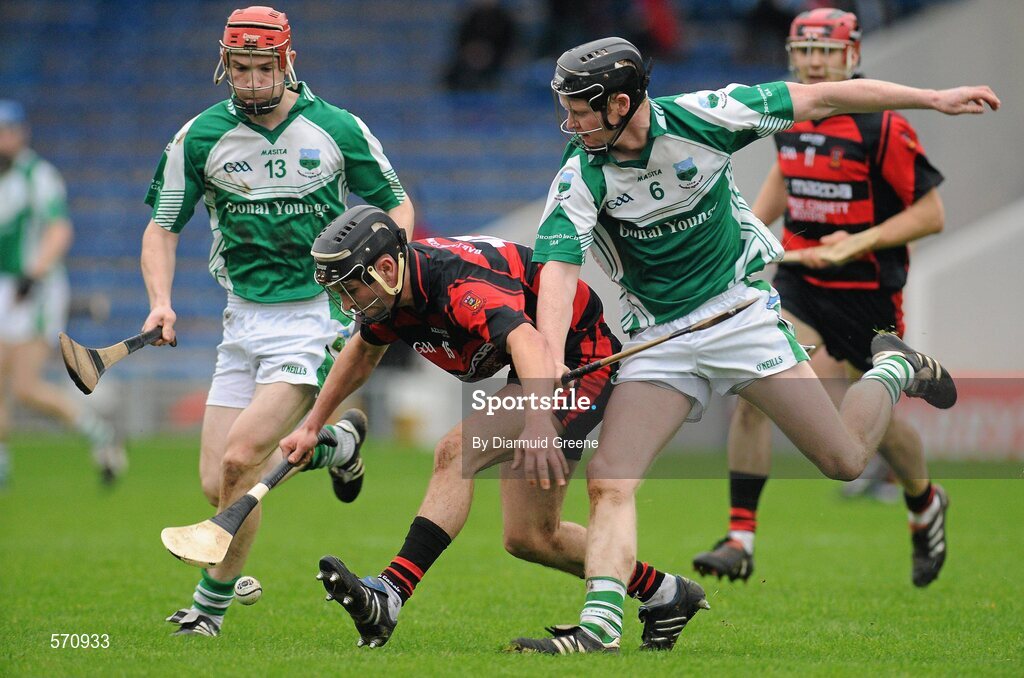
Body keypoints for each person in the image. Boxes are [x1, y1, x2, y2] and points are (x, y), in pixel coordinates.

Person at [509, 37, 998, 654]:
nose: (571, 123)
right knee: (609, 477)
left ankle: (894, 367)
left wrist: (933, 98)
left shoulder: (708, 116)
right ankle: (600, 629)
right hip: (659, 340)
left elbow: (823, 98)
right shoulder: (579, 173)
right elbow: (558, 272)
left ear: (621, 103)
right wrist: (548, 372)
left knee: (844, 460)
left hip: (741, 318)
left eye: (581, 110)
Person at [279, 205, 709, 651]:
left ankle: (390, 593)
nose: (349, 305)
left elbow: (529, 342)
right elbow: (361, 353)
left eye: (351, 290)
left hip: (577, 361)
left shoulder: (460, 286)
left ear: (386, 268)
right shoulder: (393, 292)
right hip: (530, 368)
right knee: (530, 537)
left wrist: (539, 421)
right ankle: (666, 593)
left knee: (457, 451)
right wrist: (312, 426)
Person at [142, 6, 414, 637]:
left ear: (288, 62)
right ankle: (337, 446)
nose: (253, 80)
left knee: (241, 461)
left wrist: (385, 278)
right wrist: (160, 300)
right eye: (241, 68)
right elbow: (161, 228)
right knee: (215, 480)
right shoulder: (199, 138)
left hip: (316, 317)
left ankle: (207, 611)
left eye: (265, 67)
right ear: (224, 64)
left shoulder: (336, 128)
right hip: (241, 322)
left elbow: (397, 208)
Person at [693, 8, 951, 588]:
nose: (813, 63)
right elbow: (787, 177)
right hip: (801, 285)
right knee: (759, 383)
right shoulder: (787, 113)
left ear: (852, 56)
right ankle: (739, 538)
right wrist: (743, 242)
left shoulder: (882, 127)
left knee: (853, 417)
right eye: (804, 51)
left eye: (826, 52)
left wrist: (855, 242)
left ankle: (924, 499)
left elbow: (932, 214)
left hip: (868, 293)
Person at [0, 99, 125, 488]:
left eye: (7, 132)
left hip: (34, 290)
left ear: (20, 134)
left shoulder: (38, 176)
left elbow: (59, 230)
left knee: (23, 387)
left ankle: (100, 433)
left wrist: (33, 273)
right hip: (5, 287)